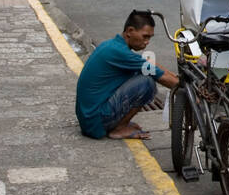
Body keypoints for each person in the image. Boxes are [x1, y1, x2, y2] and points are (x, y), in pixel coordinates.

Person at [75, 10, 178, 139]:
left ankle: (118, 122)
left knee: (145, 70)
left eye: (150, 38)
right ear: (129, 31)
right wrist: (190, 91)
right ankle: (119, 128)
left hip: (89, 118)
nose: (147, 42)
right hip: (95, 122)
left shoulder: (113, 45)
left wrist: (176, 77)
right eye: (145, 36)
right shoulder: (119, 53)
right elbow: (158, 75)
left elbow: (150, 64)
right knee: (147, 83)